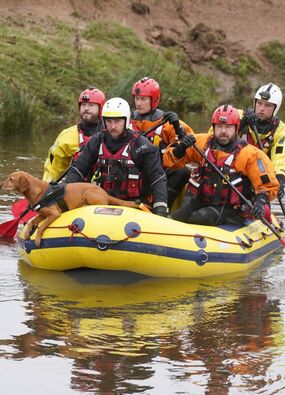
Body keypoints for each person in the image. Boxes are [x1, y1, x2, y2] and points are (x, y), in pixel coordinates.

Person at [163, 104, 279, 225]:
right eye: (219, 126)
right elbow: (169, 161)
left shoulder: (250, 154)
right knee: (174, 219)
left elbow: (267, 185)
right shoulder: (202, 143)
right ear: (214, 127)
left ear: (236, 128)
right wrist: (180, 149)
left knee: (199, 218)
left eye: (228, 127)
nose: (223, 131)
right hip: (201, 201)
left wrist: (260, 202)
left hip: (232, 209)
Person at [65, 97, 168, 216]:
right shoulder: (96, 141)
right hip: (102, 203)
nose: (113, 126)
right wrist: (66, 193)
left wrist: (161, 208)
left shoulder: (142, 146)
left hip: (135, 205)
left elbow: (157, 179)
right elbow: (78, 170)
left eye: (118, 121)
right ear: (103, 122)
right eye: (109, 121)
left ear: (126, 120)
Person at [131, 77, 195, 208]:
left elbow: (191, 143)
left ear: (154, 99)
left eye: (143, 99)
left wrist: (177, 127)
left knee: (182, 172)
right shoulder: (128, 121)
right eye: (137, 98)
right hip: (134, 167)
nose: (139, 103)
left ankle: (162, 206)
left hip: (160, 168)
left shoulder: (167, 123)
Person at [43, 86, 106, 183]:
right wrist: (46, 188)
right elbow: (53, 167)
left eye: (91, 105)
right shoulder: (68, 135)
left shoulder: (111, 132)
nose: (86, 109)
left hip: (104, 190)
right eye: (83, 105)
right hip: (78, 190)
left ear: (101, 108)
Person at [238, 82, 285, 200]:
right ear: (255, 103)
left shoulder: (280, 130)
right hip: (233, 170)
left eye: (268, 105)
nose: (262, 109)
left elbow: (280, 157)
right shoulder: (238, 116)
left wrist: (280, 179)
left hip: (257, 174)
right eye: (259, 103)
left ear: (275, 108)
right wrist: (240, 124)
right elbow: (213, 137)